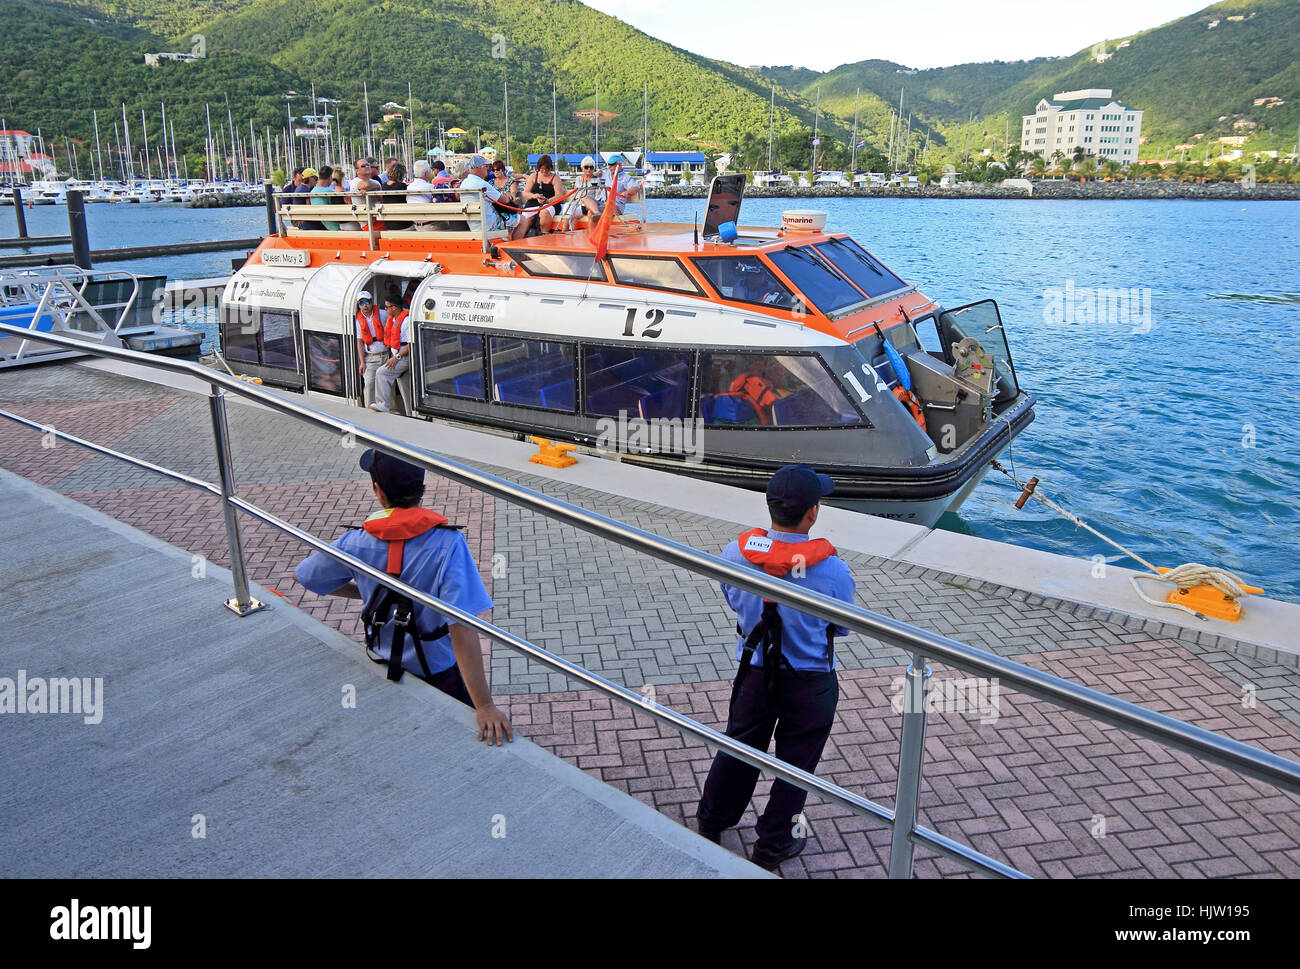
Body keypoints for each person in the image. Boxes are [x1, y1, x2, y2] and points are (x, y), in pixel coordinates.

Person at [295, 449, 514, 745]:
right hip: (437, 670)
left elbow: (307, 576)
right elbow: (461, 625)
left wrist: (364, 589)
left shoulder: (356, 541)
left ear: (378, 491)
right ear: (421, 490)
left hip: (380, 661)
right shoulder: (448, 542)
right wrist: (485, 706)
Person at [696, 464, 855, 870]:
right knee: (796, 764)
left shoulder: (734, 553)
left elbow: (733, 599)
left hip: (754, 672)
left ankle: (711, 823)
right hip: (810, 681)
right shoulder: (833, 571)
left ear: (770, 507)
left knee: (738, 747)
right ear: (813, 513)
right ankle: (771, 846)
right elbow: (843, 627)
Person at [370, 293, 410, 413]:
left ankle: (383, 405)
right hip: (395, 355)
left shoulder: (406, 321)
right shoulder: (392, 319)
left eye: (387, 307)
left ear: (394, 308)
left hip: (404, 357)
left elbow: (411, 344)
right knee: (405, 387)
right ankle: (412, 415)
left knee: (382, 372)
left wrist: (397, 357)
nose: (385, 309)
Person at [510, 154, 562, 239]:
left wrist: (547, 201)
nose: (544, 171)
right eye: (542, 169)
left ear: (550, 168)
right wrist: (535, 196)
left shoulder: (555, 178)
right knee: (525, 219)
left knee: (544, 212)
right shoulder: (533, 176)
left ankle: (544, 236)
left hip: (549, 204)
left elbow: (559, 195)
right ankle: (517, 241)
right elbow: (525, 193)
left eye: (547, 169)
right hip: (533, 203)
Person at [355, 291, 389, 408]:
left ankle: (390, 408)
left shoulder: (383, 314)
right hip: (370, 358)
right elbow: (359, 342)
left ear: (372, 302)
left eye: (367, 302)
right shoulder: (357, 321)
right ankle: (368, 410)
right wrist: (362, 362)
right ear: (358, 305)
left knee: (388, 383)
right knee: (369, 384)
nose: (365, 305)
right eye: (362, 303)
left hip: (386, 355)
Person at [458, 154, 504, 233]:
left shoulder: (464, 184)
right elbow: (504, 200)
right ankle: (509, 245)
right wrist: (508, 196)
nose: (488, 169)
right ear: (479, 167)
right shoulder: (481, 184)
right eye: (486, 166)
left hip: (474, 227)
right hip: (489, 226)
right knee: (521, 220)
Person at [309, 164, 341, 230]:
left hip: (325, 224)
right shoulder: (330, 192)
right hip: (336, 226)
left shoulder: (313, 192)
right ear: (330, 177)